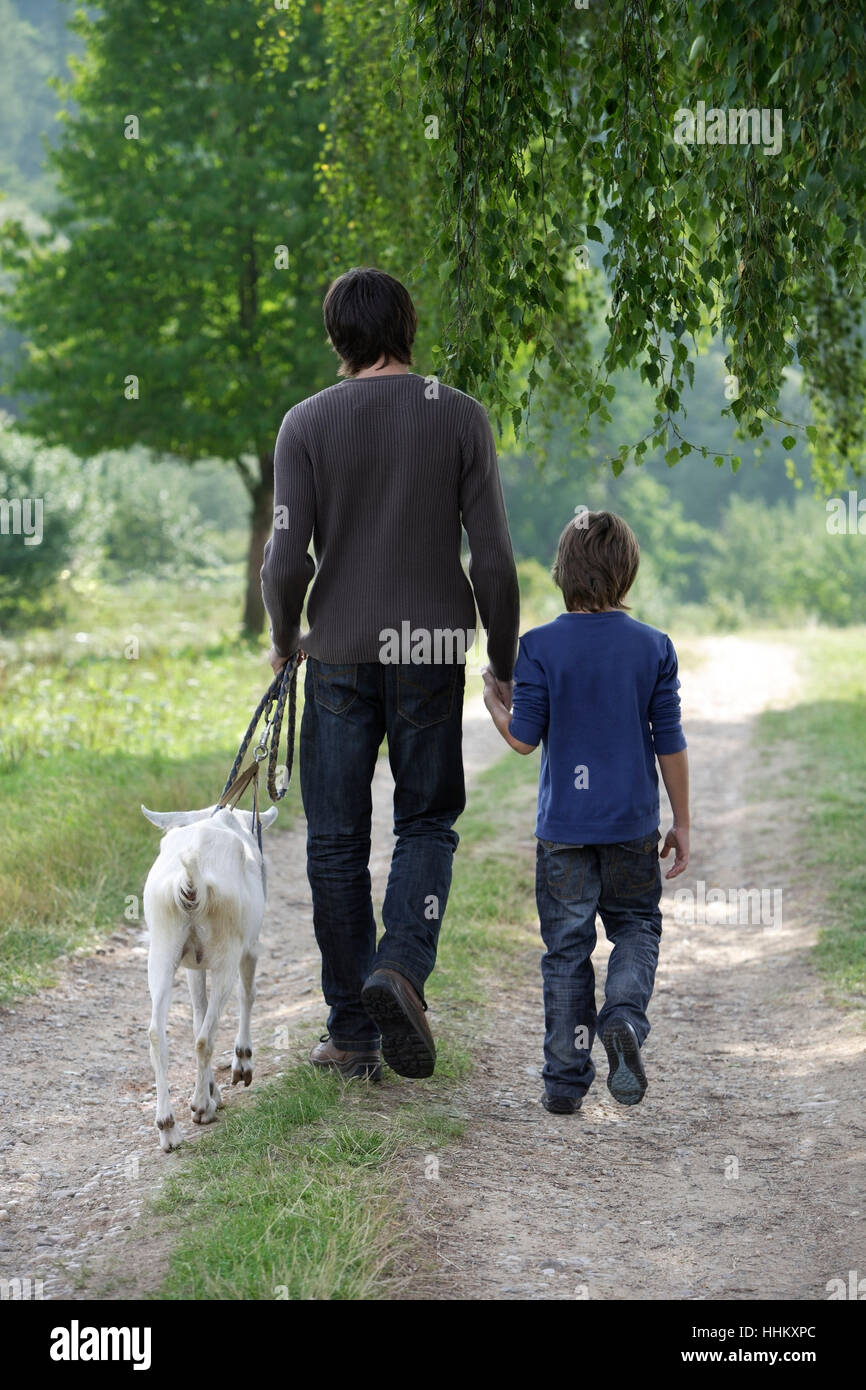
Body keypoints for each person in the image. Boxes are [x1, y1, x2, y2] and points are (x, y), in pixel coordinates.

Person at [261, 266, 519, 1082]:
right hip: (432, 648)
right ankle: (399, 969)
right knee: (426, 822)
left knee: (335, 840)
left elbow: (282, 557)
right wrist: (505, 664)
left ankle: (349, 1033)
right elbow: (497, 561)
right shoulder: (462, 417)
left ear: (338, 338)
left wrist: (282, 637)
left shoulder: (304, 423)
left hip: (335, 649)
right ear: (408, 325)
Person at [482, 510, 689, 1113]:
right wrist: (683, 821)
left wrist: (496, 703)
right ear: (626, 574)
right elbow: (670, 740)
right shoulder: (654, 646)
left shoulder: (539, 646)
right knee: (636, 927)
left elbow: (523, 739)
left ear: (561, 574)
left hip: (563, 832)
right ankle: (622, 1017)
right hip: (631, 825)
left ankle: (565, 1080)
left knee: (566, 949)